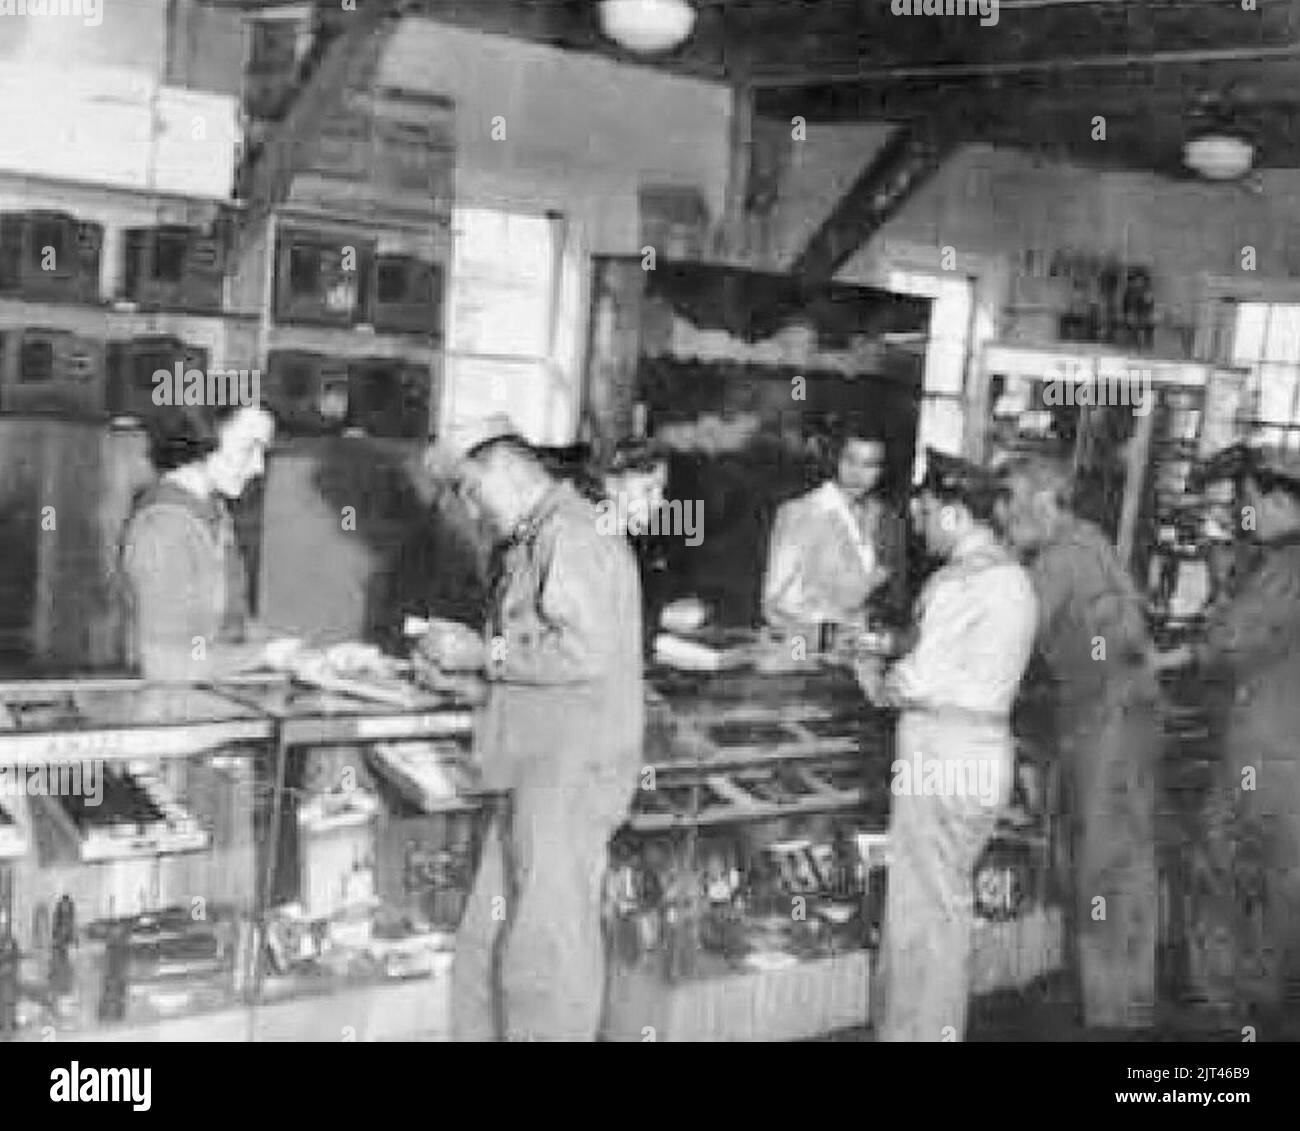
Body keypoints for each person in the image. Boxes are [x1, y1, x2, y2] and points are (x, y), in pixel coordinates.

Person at [421, 413, 643, 1042]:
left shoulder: (570, 535)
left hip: (567, 779)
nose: (469, 510)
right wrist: (468, 676)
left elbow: (583, 655)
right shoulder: (538, 538)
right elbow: (539, 663)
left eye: (469, 490)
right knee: (487, 945)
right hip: (533, 772)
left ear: (503, 471)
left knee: (545, 960)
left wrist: (480, 655)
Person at [859, 448, 1037, 1042]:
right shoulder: (1014, 576)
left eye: (928, 511)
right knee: (950, 903)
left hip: (941, 755)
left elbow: (919, 679)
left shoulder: (957, 580)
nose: (919, 523)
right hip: (988, 751)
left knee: (916, 907)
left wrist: (874, 679)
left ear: (957, 513)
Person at [996, 453, 1161, 1032]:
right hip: (1125, 716)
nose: (1003, 512)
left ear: (1044, 500)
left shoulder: (1059, 560)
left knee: (1101, 863)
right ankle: (1115, 997)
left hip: (1104, 722)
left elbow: (1012, 632)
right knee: (1116, 859)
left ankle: (1114, 1013)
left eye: (1012, 499)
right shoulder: (1090, 540)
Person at [1185, 445, 1300, 1024]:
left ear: (1280, 498)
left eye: (1249, 504)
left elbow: (1230, 644)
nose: (1242, 515)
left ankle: (1232, 1009)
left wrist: (1192, 645)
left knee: (1227, 863)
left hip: (1268, 751)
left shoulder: (1286, 566)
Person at [115, 403, 302, 682]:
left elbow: (230, 627)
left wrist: (306, 654)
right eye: (249, 449)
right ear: (203, 442)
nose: (258, 468)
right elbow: (164, 665)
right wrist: (266, 655)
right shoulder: (164, 528)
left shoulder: (213, 513)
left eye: (264, 452)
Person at [763, 421, 906, 640]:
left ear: (882, 470)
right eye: (850, 460)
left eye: (870, 465)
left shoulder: (886, 519)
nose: (858, 473)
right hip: (809, 653)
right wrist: (834, 628)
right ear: (835, 459)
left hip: (865, 655)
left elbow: (891, 597)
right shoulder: (800, 513)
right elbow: (774, 603)